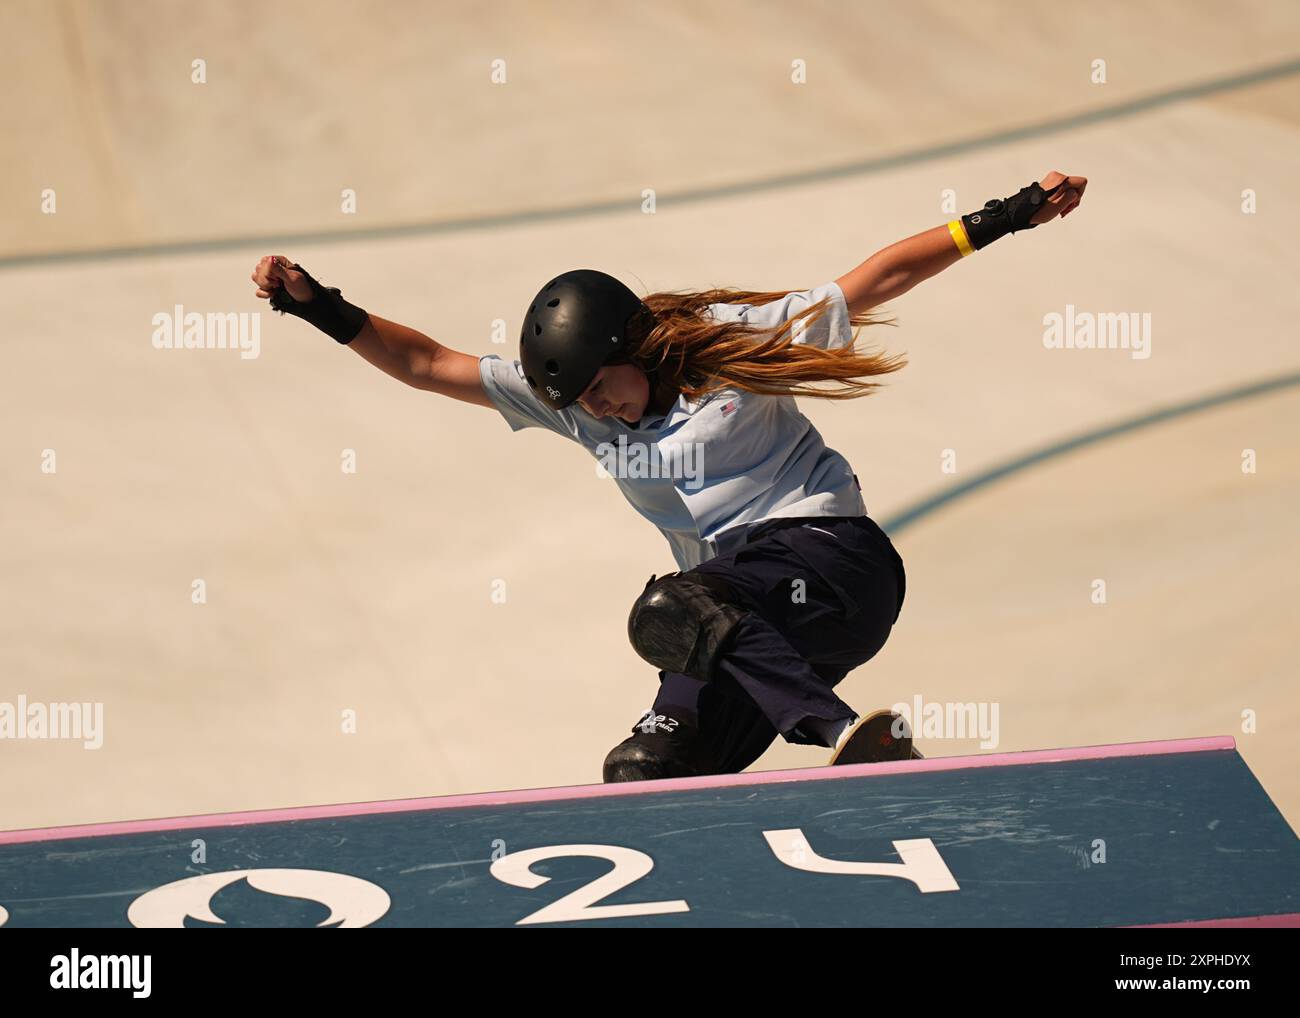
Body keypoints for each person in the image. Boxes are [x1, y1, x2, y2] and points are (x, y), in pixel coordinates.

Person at [250, 171, 1086, 781]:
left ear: (631, 349)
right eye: (580, 404)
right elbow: (429, 363)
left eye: (603, 390)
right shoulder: (574, 406)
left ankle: (844, 737)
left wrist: (1002, 218)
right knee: (647, 770)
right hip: (748, 628)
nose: (600, 413)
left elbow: (876, 279)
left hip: (834, 563)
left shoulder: (735, 345)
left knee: (673, 603)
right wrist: (320, 305)